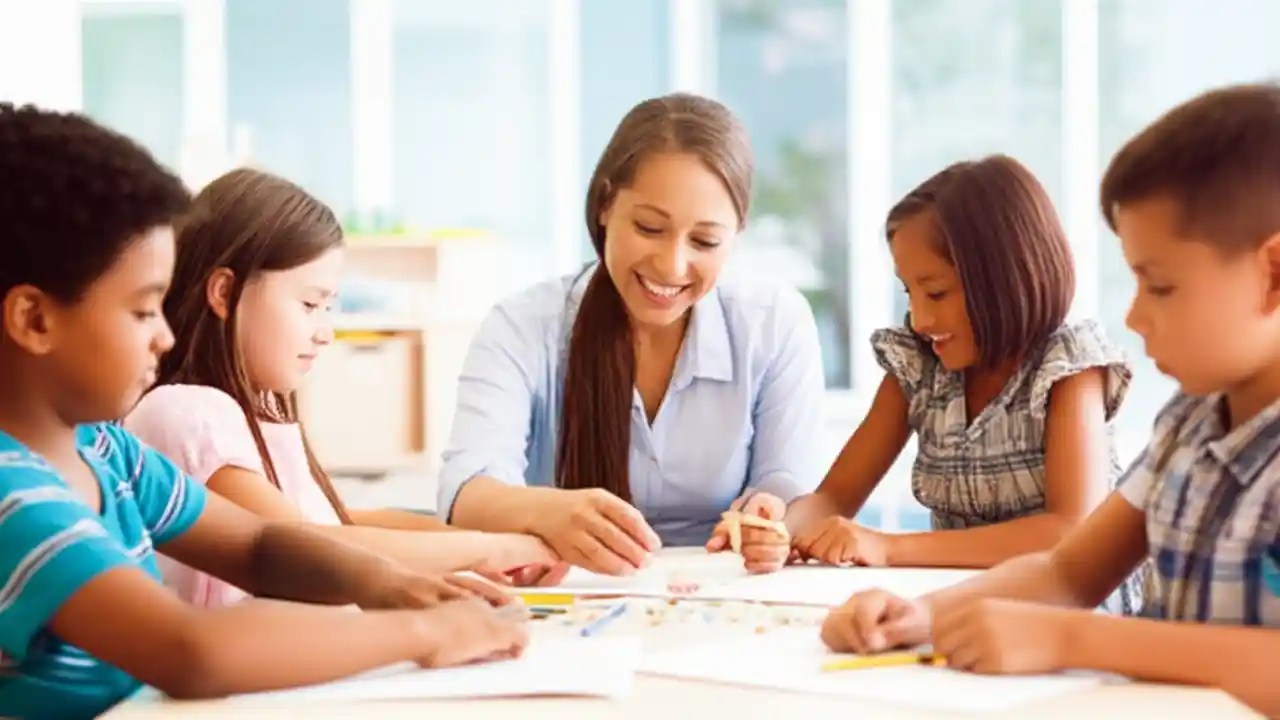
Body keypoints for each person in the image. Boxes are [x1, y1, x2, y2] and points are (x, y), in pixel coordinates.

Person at [0, 103, 525, 719]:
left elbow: (258, 547)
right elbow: (188, 652)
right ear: (34, 320)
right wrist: (427, 633)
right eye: (143, 311)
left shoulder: (105, 452)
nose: (164, 337)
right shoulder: (16, 497)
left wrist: (389, 584)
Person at [820, 82, 1280, 717]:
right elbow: (1067, 572)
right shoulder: (1187, 427)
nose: (1136, 317)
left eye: (1161, 286)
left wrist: (1077, 637)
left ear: (1273, 273)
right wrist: (920, 616)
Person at [125, 168, 564, 609]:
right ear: (223, 292)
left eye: (329, 307)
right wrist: (493, 550)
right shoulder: (187, 412)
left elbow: (336, 520)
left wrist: (491, 542)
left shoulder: (243, 412)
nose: (325, 332)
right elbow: (310, 544)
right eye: (310, 305)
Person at [438, 93, 826, 575]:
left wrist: (771, 513)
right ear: (604, 206)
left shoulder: (774, 323)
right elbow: (466, 491)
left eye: (704, 241)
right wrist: (548, 512)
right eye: (649, 227)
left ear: (737, 234)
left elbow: (789, 481)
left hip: (725, 594)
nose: (672, 264)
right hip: (571, 593)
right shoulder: (523, 326)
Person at [751, 157, 1134, 609]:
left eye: (936, 292)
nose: (920, 317)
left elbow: (1070, 529)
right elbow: (834, 496)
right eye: (908, 292)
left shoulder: (1068, 367)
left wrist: (889, 547)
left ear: (1004, 279)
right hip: (959, 607)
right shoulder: (918, 365)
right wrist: (779, 528)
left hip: (1069, 617)